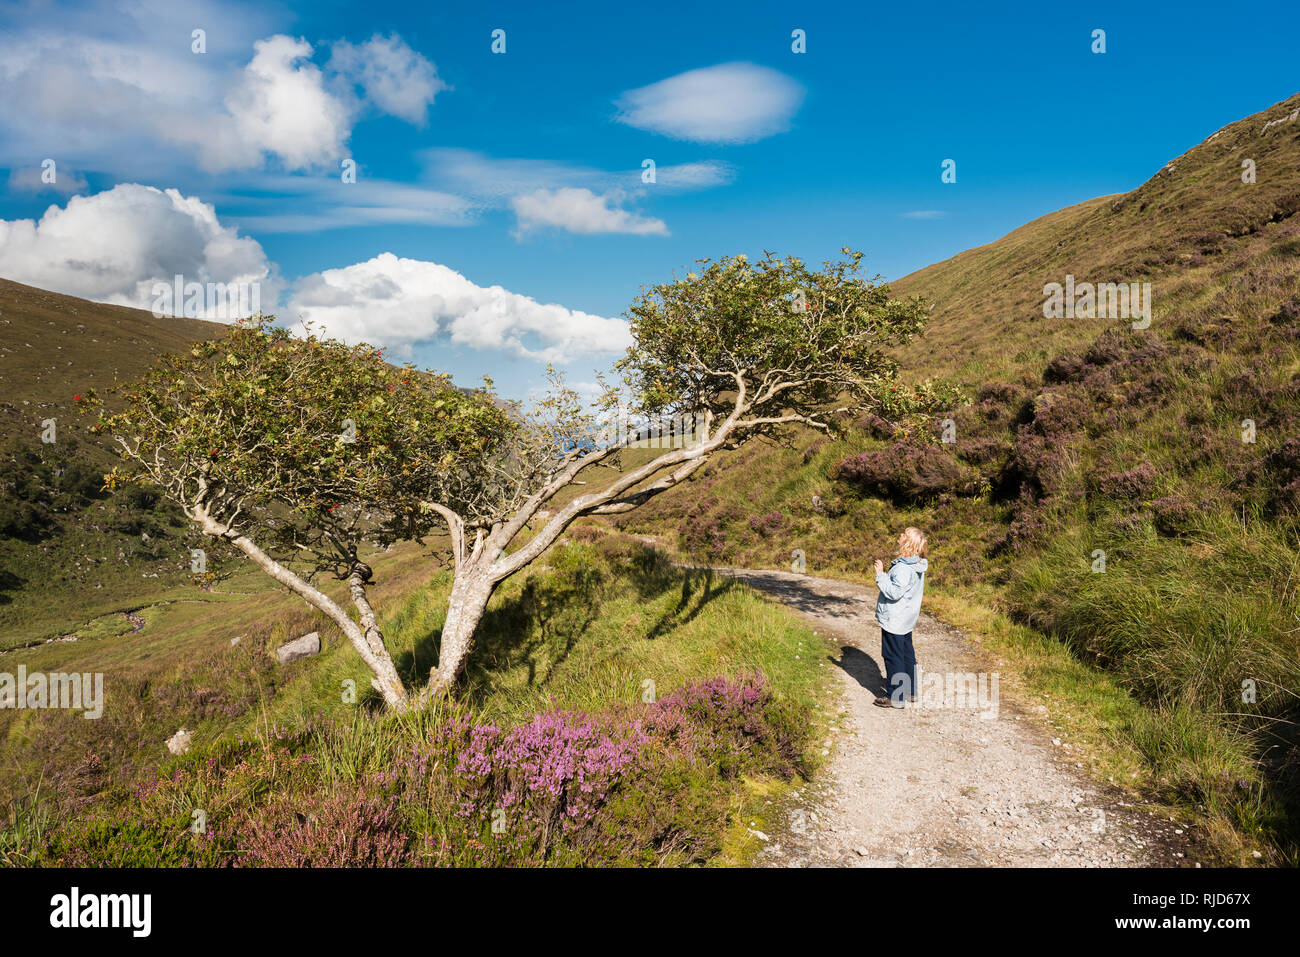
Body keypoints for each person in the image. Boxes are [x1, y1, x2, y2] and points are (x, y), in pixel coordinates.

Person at [872, 527, 928, 709]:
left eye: (904, 534)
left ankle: (896, 696)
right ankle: (910, 691)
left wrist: (880, 575)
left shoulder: (903, 568)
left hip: (895, 618)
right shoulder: (917, 563)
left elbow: (894, 592)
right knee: (906, 653)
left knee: (892, 655)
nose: (900, 535)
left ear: (908, 542)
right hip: (907, 617)